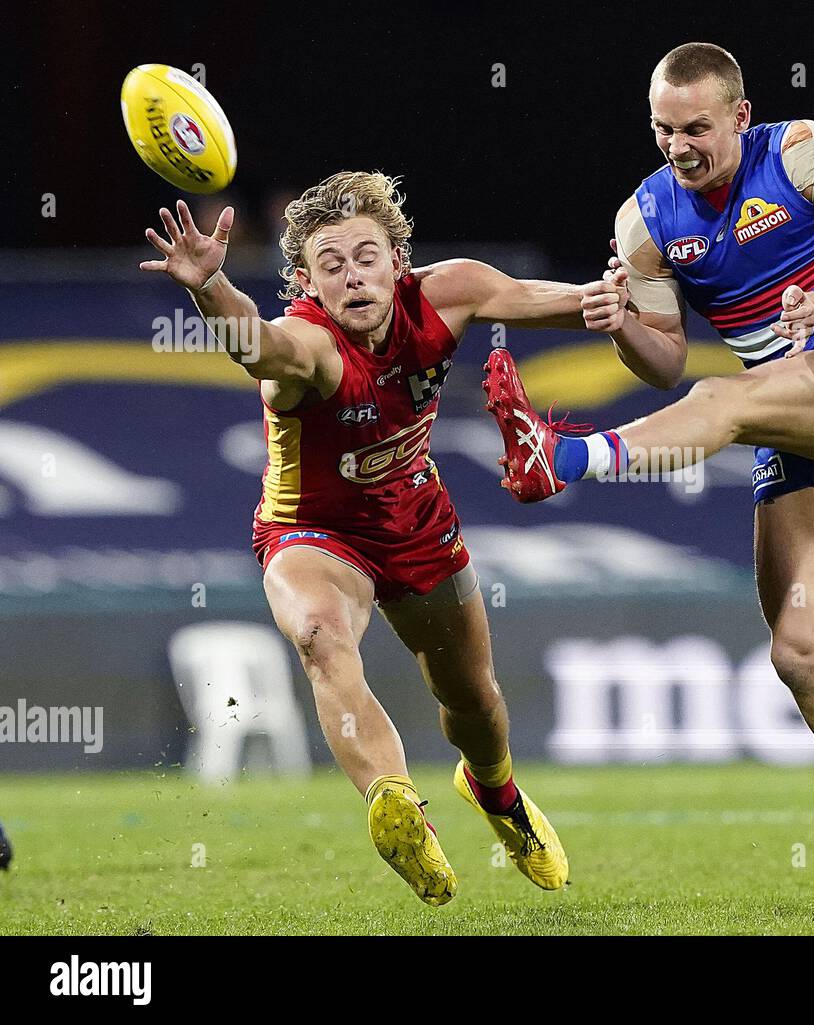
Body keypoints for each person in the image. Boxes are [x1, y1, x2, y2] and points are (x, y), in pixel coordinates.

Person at [483, 42, 814, 915]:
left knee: (720, 397)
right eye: (662, 129)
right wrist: (621, 322)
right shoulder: (645, 219)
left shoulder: (803, 150)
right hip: (787, 422)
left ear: (740, 116)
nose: (678, 146)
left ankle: (570, 456)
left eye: (696, 128)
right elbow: (662, 360)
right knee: (799, 651)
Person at [140, 171, 590, 905]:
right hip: (312, 531)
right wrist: (211, 288)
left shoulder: (449, 292)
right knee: (320, 635)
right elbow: (257, 346)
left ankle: (497, 794)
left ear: (397, 261)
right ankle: (397, 804)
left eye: (366, 257)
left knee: (473, 699)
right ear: (305, 281)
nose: (353, 276)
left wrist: (632, 289)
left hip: (415, 518)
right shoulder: (309, 345)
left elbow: (567, 302)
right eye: (332, 264)